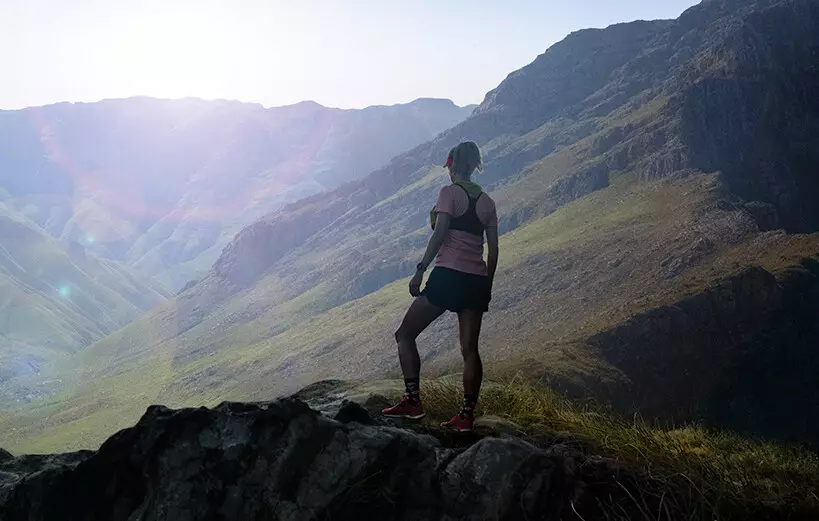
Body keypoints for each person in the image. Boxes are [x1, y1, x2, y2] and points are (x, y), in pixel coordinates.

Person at [381, 141, 499, 432]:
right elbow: (493, 250)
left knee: (405, 334)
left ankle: (412, 402)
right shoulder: (487, 202)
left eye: (448, 166)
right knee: (470, 351)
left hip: (447, 276)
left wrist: (420, 271)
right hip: (476, 280)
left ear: (453, 165)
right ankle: (466, 417)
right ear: (475, 166)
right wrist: (488, 284)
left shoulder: (449, 193)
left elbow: (439, 235)